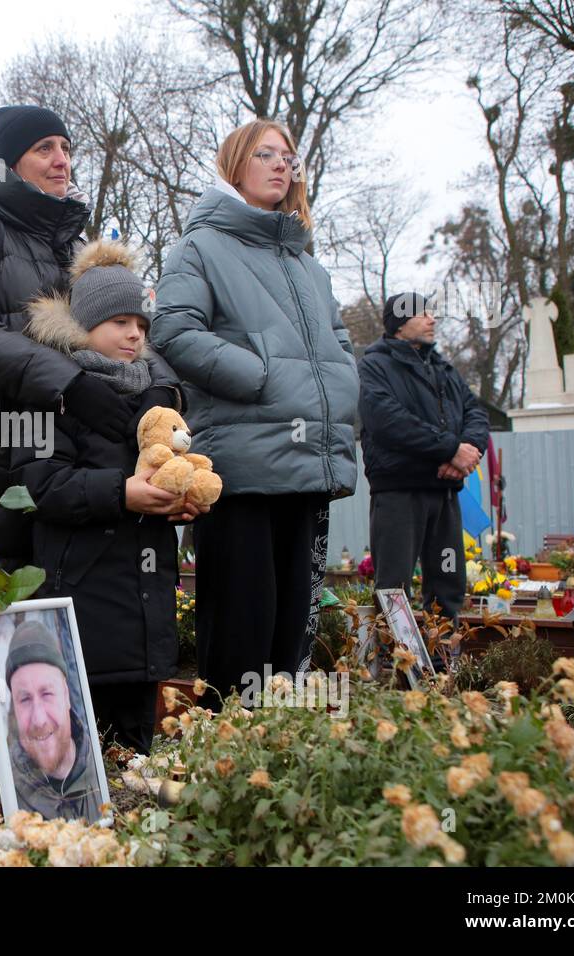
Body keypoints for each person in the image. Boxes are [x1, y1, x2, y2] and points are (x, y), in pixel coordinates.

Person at [151, 119, 359, 704]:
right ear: (235, 163)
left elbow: (339, 345)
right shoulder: (201, 246)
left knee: (294, 631)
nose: (281, 164)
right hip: (240, 472)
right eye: (265, 153)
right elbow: (172, 330)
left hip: (308, 466)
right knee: (243, 631)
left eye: (288, 156)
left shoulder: (307, 266)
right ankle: (224, 764)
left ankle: (279, 768)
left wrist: (341, 389)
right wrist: (260, 376)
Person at [0, 105, 180, 568]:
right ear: (9, 165)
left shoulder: (77, 250)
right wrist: (71, 383)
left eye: (66, 148)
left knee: (77, 597)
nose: (61, 160)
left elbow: (131, 324)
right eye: (44, 148)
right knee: (4, 604)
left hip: (74, 458)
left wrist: (162, 389)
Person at [14, 239, 196, 752]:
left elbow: (172, 473)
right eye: (120, 322)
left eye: (140, 325)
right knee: (83, 750)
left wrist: (182, 499)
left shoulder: (159, 401)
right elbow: (40, 486)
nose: (134, 334)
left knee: (138, 748)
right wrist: (122, 493)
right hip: (83, 601)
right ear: (85, 326)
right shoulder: (53, 396)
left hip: (145, 607)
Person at [358, 293, 490, 624]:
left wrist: (468, 449)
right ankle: (394, 669)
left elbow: (475, 412)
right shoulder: (374, 366)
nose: (432, 319)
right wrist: (449, 449)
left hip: (444, 490)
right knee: (394, 587)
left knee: (448, 585)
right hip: (399, 492)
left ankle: (444, 663)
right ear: (399, 325)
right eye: (423, 314)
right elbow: (387, 421)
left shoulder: (443, 367)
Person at [4, 619, 103, 821]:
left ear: (66, 694)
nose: (39, 720)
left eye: (47, 694)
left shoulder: (99, 773)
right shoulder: (3, 791)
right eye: (24, 699)